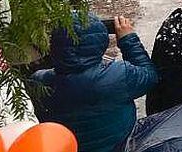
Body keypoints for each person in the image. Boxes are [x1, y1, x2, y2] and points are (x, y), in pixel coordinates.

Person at [33, 14, 157, 152]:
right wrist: (128, 40)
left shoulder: (39, 82)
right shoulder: (120, 75)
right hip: (120, 146)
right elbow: (149, 76)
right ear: (101, 41)